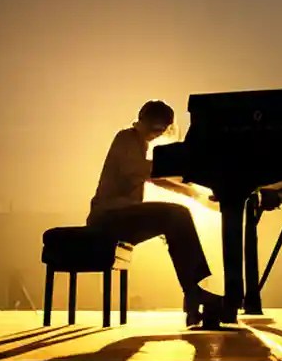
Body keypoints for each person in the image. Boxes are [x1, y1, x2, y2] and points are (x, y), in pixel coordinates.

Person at [86, 99, 224, 327]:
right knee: (176, 216)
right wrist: (181, 165)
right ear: (145, 121)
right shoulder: (126, 138)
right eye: (157, 127)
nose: (158, 133)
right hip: (108, 217)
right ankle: (193, 292)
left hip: (121, 216)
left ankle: (192, 292)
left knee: (176, 221)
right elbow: (140, 171)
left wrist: (193, 193)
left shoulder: (139, 144)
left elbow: (153, 177)